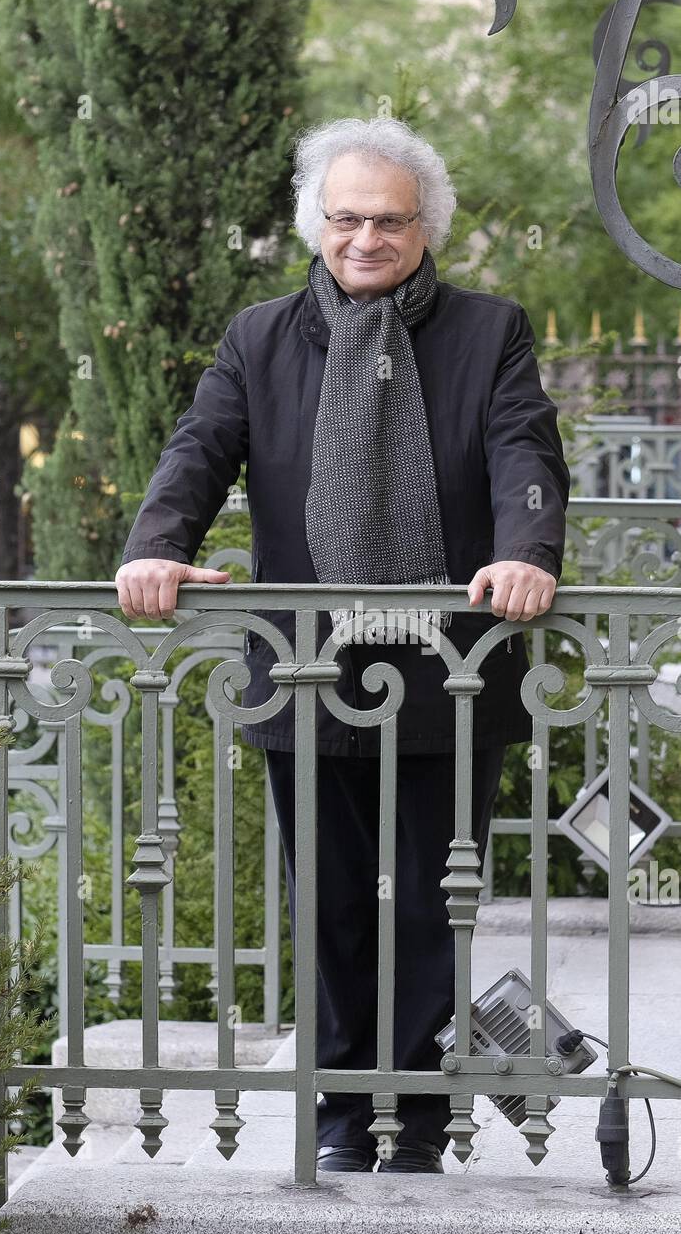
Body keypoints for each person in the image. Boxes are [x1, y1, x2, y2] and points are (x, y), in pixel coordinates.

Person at [115, 116, 570, 1174]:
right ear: (316, 222)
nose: (366, 238)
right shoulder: (260, 335)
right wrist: (155, 548)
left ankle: (408, 1118)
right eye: (346, 217)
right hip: (309, 660)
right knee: (326, 900)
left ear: (425, 228)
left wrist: (527, 551)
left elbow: (521, 448)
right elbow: (200, 451)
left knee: (426, 898)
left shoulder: (486, 330)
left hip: (449, 660)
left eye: (389, 221)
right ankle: (335, 1107)